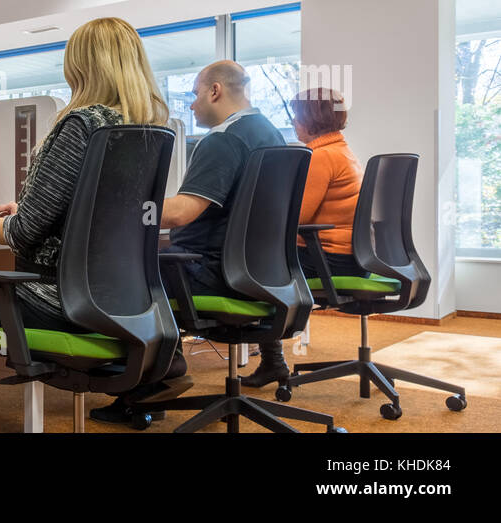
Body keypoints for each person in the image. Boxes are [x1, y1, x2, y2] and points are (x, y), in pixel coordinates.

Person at [0, 17, 183, 433]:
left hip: (69, 302)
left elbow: (21, 235)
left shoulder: (81, 125)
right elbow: (102, 212)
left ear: (79, 66)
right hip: (123, 304)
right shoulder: (144, 130)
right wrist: (32, 204)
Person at [86, 60, 289, 422]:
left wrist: (115, 207)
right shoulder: (271, 135)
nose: (192, 104)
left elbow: (180, 213)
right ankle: (159, 373)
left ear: (215, 91)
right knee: (157, 261)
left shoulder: (225, 140)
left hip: (212, 273)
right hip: (259, 276)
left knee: (124, 277)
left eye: (195, 94)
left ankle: (148, 382)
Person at [231, 87, 366, 388]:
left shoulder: (322, 156)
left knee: (251, 267)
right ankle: (272, 360)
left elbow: (297, 218)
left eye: (296, 116)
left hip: (329, 258)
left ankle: (272, 361)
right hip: (348, 256)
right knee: (264, 261)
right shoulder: (342, 151)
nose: (293, 122)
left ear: (309, 120)